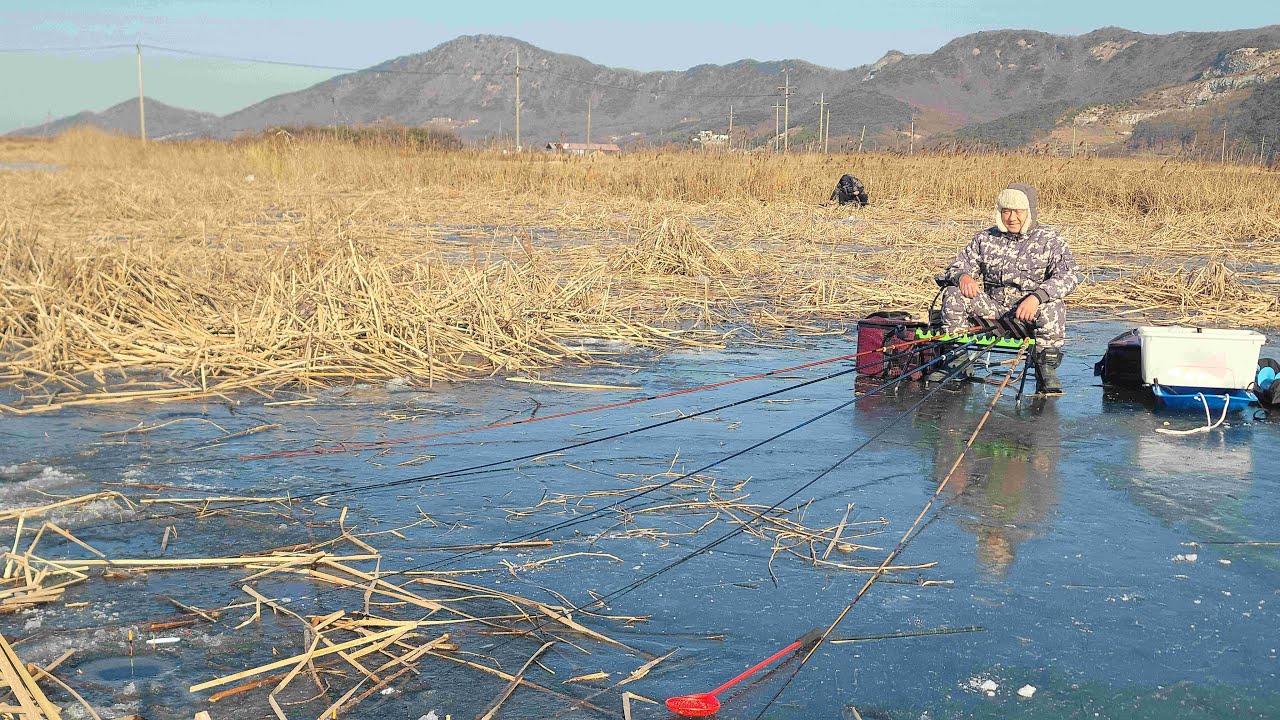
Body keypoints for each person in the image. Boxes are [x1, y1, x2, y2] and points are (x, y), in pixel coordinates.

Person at [931, 183, 1079, 394]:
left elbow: (1069, 275)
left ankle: (1046, 368)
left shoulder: (1051, 240)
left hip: (1028, 312)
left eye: (1018, 211)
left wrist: (1037, 297)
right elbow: (956, 266)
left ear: (1029, 212)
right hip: (993, 307)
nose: (1012, 218)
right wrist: (963, 277)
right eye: (1006, 211)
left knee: (1053, 305)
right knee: (954, 294)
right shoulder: (984, 238)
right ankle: (958, 360)